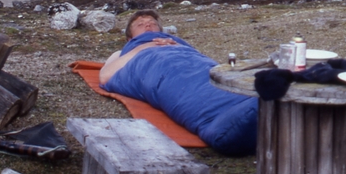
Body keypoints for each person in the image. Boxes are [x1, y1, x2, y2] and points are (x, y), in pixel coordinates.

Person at [99, 10, 258, 156]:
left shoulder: (176, 43)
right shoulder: (125, 51)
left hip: (190, 59)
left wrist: (177, 46)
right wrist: (145, 46)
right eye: (140, 25)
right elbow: (106, 76)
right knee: (181, 81)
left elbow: (199, 59)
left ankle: (253, 103)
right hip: (154, 63)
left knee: (209, 74)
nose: (147, 25)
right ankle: (229, 120)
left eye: (152, 23)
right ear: (130, 38)